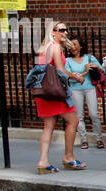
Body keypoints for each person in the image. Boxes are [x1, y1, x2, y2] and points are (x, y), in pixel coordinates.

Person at [34, 22, 85, 174]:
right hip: (55, 92)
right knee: (73, 120)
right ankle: (68, 157)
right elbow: (60, 70)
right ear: (53, 32)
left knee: (49, 126)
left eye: (66, 29)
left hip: (44, 91)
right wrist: (75, 77)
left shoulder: (44, 48)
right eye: (61, 30)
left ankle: (43, 161)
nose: (65, 32)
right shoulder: (55, 47)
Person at [64, 38, 105, 149]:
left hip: (90, 88)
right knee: (79, 116)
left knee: (94, 114)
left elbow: (102, 69)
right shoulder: (67, 61)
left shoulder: (89, 57)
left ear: (81, 46)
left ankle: (99, 139)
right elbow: (69, 77)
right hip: (75, 89)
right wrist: (85, 71)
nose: (73, 47)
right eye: (71, 45)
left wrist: (96, 66)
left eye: (75, 45)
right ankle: (84, 140)